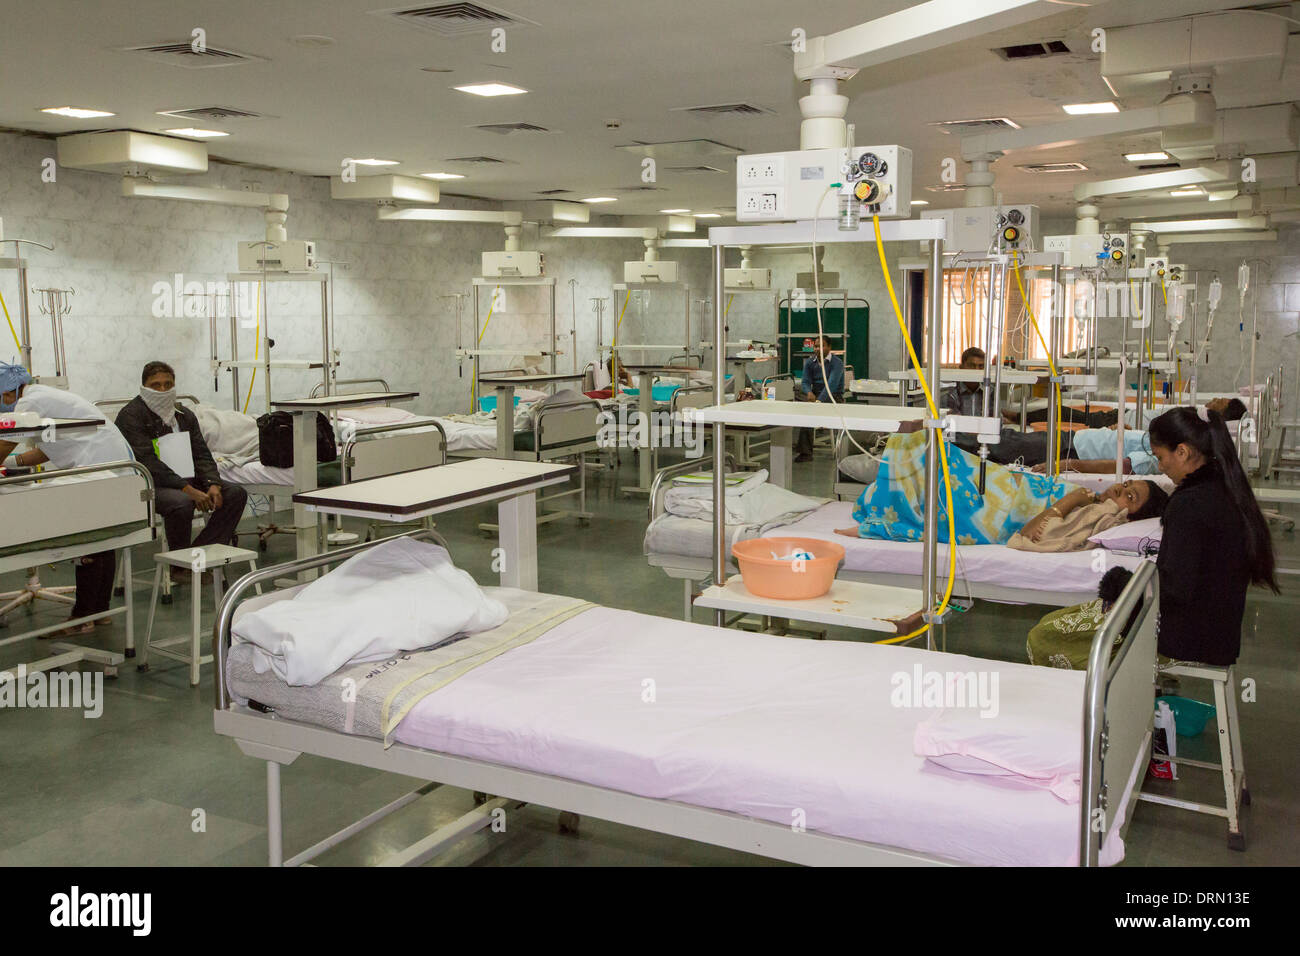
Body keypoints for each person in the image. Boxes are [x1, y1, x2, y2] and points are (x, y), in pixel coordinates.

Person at [834, 426, 1163, 547]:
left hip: (995, 514)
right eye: (1127, 485)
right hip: (1003, 488)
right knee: (930, 446)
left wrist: (1071, 498)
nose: (1119, 490)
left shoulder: (1102, 519)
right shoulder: (1099, 505)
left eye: (1129, 496)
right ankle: (885, 469)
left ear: (1130, 516)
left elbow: (1034, 536)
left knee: (932, 455)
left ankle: (884, 512)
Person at [0, 361, 134, 636]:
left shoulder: (27, 405)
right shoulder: (43, 397)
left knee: (85, 535)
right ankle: (99, 612)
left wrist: (4, 457)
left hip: (100, 469)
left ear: (6, 394)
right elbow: (55, 445)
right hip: (115, 467)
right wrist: (15, 462)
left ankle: (81, 618)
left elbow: (5, 441)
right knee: (103, 537)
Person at [1147, 404, 1277, 665]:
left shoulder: (1189, 504)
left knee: (1067, 633)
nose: (1160, 467)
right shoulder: (1225, 486)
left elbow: (1174, 589)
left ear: (1182, 452)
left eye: (1160, 457)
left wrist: (1133, 584)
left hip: (1189, 640)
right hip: (1219, 635)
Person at [115, 361, 247, 569]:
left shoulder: (184, 415)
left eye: (168, 384)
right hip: (149, 484)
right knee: (181, 503)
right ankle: (180, 568)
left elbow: (201, 453)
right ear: (143, 387)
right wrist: (188, 490)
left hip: (188, 479)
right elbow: (149, 463)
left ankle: (200, 555)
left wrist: (213, 483)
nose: (163, 390)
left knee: (235, 494)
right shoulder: (130, 416)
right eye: (155, 385)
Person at [1030, 398, 1248, 475]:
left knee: (1017, 442)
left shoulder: (1170, 451)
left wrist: (1070, 464)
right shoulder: (1174, 443)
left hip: (1082, 447)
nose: (1215, 399)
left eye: (1220, 401)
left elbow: (1126, 465)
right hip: (1093, 438)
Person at [1027, 567, 1134, 669]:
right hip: (1117, 601)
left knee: (1040, 634)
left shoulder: (1119, 626)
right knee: (1048, 622)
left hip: (1117, 615)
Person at [794, 336, 844, 462]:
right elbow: (805, 382)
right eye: (816, 346)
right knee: (804, 413)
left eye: (822, 346)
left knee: (811, 411)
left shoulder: (836, 363)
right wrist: (809, 392)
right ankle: (805, 452)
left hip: (834, 396)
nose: (818, 349)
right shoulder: (810, 363)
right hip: (816, 395)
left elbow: (831, 386)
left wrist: (819, 401)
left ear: (829, 347)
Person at [944, 346, 987, 419]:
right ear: (961, 367)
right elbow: (953, 423)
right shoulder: (951, 393)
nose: (977, 370)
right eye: (972, 366)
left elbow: (997, 421)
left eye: (981, 366)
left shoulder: (990, 392)